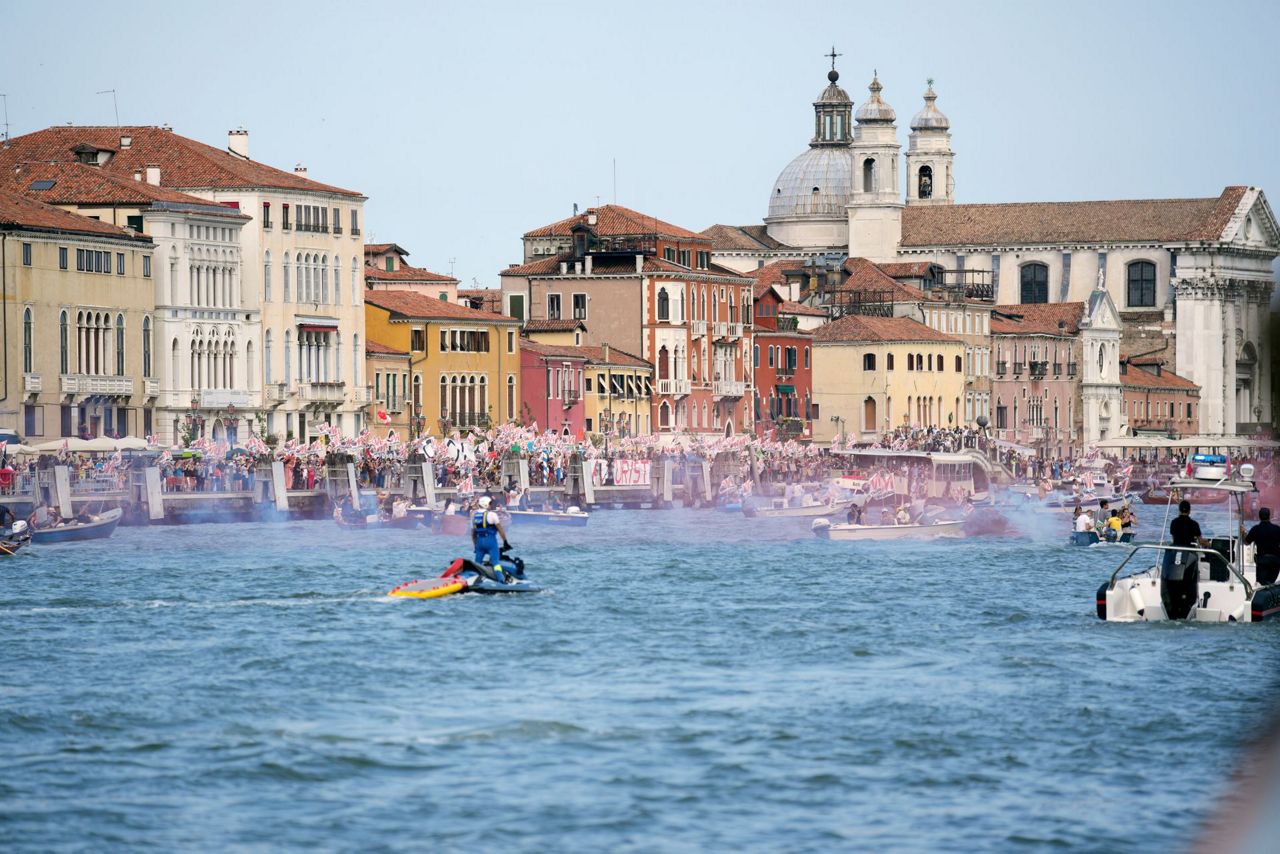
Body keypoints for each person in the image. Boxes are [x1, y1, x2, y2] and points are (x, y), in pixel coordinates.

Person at [471, 496, 511, 577]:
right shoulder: (492, 515)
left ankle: (473, 579)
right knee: (496, 563)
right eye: (490, 504)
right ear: (486, 505)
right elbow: (500, 530)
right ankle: (501, 580)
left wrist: (475, 546)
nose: (491, 505)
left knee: (477, 563)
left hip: (479, 542)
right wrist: (505, 542)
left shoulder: (474, 516)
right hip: (490, 541)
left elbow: (473, 534)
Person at [1243, 507, 1280, 585]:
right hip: (1275, 561)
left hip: (1262, 561)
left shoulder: (1256, 529)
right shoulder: (1277, 529)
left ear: (1259, 516)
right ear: (1269, 516)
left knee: (1261, 586)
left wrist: (1243, 533)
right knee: (1271, 584)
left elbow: (1246, 542)